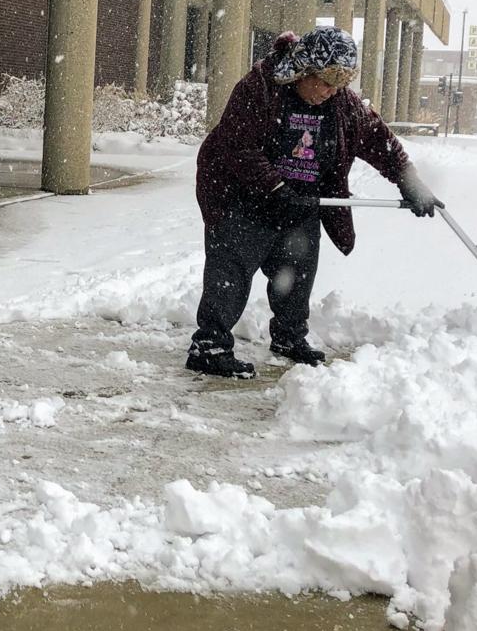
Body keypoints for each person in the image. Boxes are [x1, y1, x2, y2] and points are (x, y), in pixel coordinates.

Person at [187, 26, 441, 378]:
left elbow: (379, 140)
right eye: (323, 81)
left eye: (338, 84)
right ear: (301, 70)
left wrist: (410, 183)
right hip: (243, 199)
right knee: (230, 273)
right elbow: (237, 146)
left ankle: (290, 338)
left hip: (301, 202)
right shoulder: (259, 88)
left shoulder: (342, 104)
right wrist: (275, 190)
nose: (329, 91)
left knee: (296, 273)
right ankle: (209, 346)